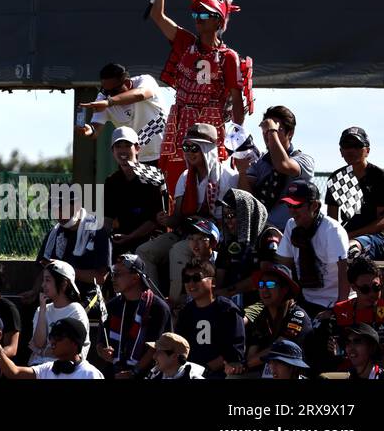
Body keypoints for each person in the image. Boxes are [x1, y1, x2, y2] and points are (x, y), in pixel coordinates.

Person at [148, 0, 253, 194]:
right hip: (180, 124)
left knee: (210, 185)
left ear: (218, 20)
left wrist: (237, 137)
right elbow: (157, 15)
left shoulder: (228, 57)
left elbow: (237, 101)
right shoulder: (185, 41)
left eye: (204, 13)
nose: (197, 18)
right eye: (195, 13)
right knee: (177, 183)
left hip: (211, 127)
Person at [135, 122, 237, 301]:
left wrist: (203, 226)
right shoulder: (185, 176)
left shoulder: (228, 177)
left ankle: (174, 304)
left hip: (215, 235)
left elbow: (231, 219)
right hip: (186, 232)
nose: (189, 152)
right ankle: (156, 301)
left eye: (194, 147)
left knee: (178, 250)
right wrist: (166, 220)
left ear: (208, 148)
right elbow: (178, 218)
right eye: (186, 147)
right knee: (144, 251)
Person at [36, 198, 112, 340]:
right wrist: (34, 291)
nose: (59, 215)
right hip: (56, 293)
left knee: (70, 316)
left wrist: (65, 270)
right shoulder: (55, 233)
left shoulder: (97, 231)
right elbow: (44, 266)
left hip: (87, 294)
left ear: (76, 206)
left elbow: (101, 278)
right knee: (33, 309)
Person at [275, 180, 349, 313]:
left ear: (314, 205)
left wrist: (338, 310)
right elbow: (283, 265)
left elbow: (345, 272)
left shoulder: (332, 230)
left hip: (332, 303)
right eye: (288, 205)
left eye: (297, 206)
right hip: (305, 301)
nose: (291, 211)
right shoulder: (291, 225)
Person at [236, 106, 312, 230]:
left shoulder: (304, 160)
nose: (268, 135)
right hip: (260, 231)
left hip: (290, 233)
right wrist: (242, 172)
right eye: (265, 131)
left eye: (278, 130)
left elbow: (283, 165)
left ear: (290, 133)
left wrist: (272, 131)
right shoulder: (258, 162)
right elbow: (246, 197)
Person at [76, 63, 168, 164]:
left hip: (168, 154)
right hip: (135, 161)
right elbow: (96, 129)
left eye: (114, 91)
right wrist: (89, 131)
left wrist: (109, 102)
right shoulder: (103, 98)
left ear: (127, 83)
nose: (109, 95)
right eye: (106, 91)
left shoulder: (145, 80)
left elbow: (141, 94)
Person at [325, 126, 384, 260]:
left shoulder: (380, 177)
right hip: (347, 236)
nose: (351, 150)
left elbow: (383, 222)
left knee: (352, 249)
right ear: (340, 151)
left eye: (357, 146)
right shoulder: (336, 178)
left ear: (367, 150)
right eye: (346, 145)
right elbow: (332, 220)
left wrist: (350, 236)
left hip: (377, 238)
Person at [102, 253, 171, 377]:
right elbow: (100, 342)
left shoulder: (158, 308)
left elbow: (156, 347)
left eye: (117, 274)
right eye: (112, 274)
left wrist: (134, 372)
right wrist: (103, 352)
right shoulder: (112, 306)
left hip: (145, 375)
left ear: (135, 277)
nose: (113, 279)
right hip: (113, 372)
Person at [103, 126, 167, 257]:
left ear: (137, 148)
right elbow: (108, 219)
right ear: (112, 151)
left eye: (127, 145)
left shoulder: (153, 176)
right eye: (118, 146)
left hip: (150, 239)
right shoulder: (111, 181)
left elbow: (154, 220)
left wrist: (130, 237)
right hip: (121, 239)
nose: (123, 151)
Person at [174, 260, 244, 378]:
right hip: (190, 371)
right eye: (186, 279)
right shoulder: (186, 312)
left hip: (219, 373)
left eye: (196, 278)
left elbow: (234, 354)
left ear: (213, 282)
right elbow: (179, 348)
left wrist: (202, 370)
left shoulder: (227, 310)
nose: (191, 283)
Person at [241, 264, 311, 374]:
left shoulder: (298, 316)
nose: (264, 289)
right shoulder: (262, 314)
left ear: (285, 289)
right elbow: (254, 346)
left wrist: (245, 364)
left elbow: (279, 349)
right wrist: (242, 367)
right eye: (261, 284)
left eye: (270, 284)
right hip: (270, 371)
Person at [0, 317, 104, 379]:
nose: (52, 341)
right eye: (52, 336)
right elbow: (15, 372)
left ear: (74, 343)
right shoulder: (47, 369)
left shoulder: (90, 374)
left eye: (58, 337)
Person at [27, 259, 90, 364]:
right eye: (43, 280)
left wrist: (42, 351)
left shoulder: (75, 310)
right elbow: (39, 343)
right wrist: (42, 310)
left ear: (63, 284)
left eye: (48, 280)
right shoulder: (41, 309)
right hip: (38, 366)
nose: (43, 285)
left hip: (65, 368)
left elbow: (68, 350)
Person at [331, 258, 384, 350]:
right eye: (365, 289)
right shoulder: (340, 311)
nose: (372, 293)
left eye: (376, 287)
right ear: (353, 287)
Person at [215, 187, 268, 302]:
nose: (227, 221)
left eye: (232, 215)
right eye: (225, 215)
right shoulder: (229, 240)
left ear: (246, 214)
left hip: (262, 300)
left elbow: (266, 275)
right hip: (232, 299)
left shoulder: (266, 236)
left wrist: (229, 291)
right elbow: (220, 275)